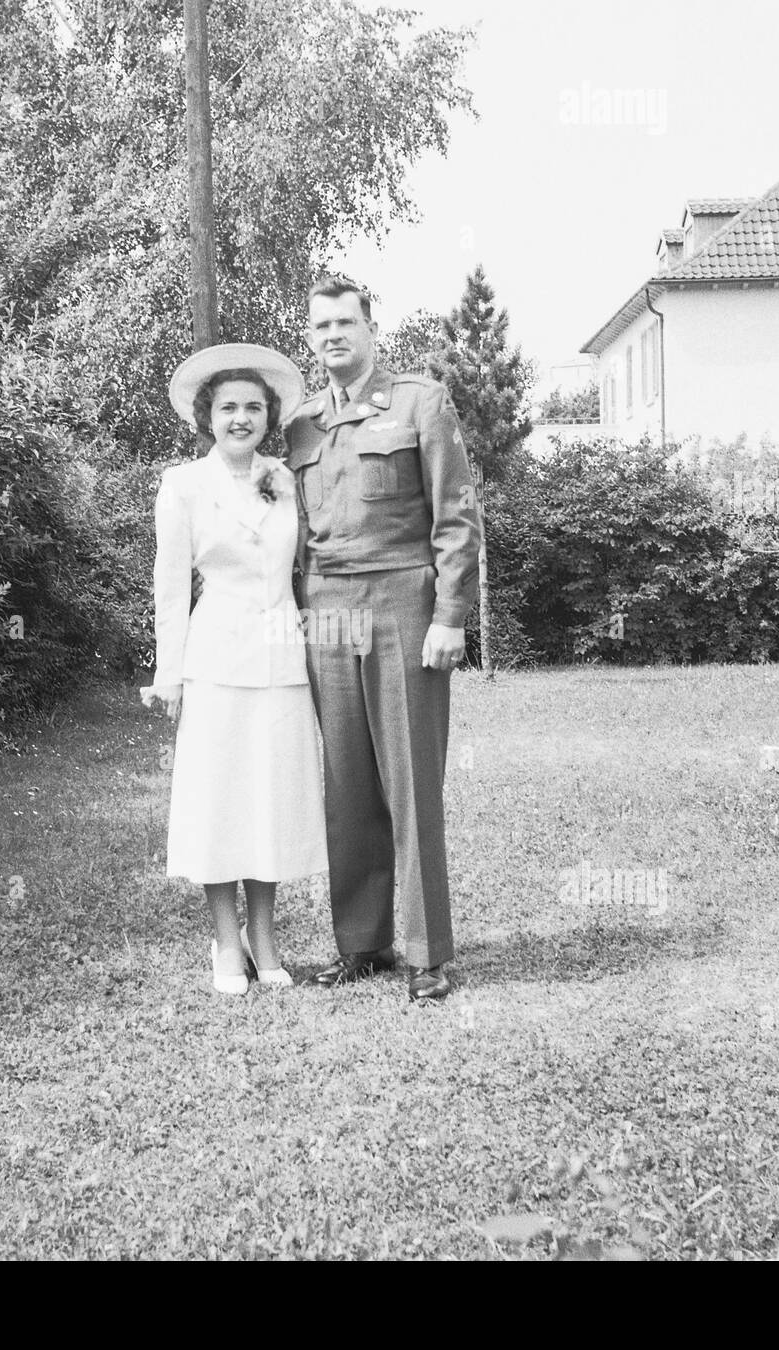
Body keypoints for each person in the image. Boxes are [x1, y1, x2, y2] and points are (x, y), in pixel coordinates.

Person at [284, 277, 482, 1001]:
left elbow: (456, 515)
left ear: (371, 328)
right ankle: (360, 943)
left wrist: (450, 616)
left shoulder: (421, 402)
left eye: (345, 322)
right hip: (326, 609)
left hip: (403, 600)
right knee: (347, 782)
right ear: (310, 338)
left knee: (410, 782)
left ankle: (429, 953)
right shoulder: (301, 423)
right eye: (320, 326)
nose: (333, 335)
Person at [142, 344, 328, 996]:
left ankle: (265, 939)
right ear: (207, 416)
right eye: (229, 408)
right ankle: (226, 942)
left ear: (269, 415)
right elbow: (170, 587)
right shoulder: (182, 485)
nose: (241, 418)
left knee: (270, 799)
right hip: (215, 659)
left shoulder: (287, 477)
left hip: (280, 659)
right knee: (221, 802)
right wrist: (170, 673)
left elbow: (308, 569)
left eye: (254, 407)